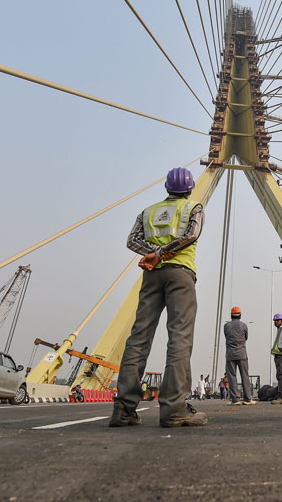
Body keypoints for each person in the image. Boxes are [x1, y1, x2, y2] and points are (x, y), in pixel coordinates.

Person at [109, 167, 207, 428]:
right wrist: (163, 253)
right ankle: (174, 409)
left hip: (152, 276)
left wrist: (152, 253)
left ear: (167, 188)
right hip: (181, 274)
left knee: (138, 337)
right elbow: (192, 235)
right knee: (179, 338)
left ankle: (124, 409)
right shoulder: (194, 208)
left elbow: (132, 241)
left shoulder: (147, 212)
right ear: (190, 188)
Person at [224, 306, 255, 405]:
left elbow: (226, 336)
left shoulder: (226, 326)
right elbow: (246, 338)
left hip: (230, 354)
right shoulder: (244, 325)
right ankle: (247, 399)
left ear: (231, 316)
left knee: (231, 376)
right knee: (245, 376)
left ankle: (235, 399)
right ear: (240, 315)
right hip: (241, 353)